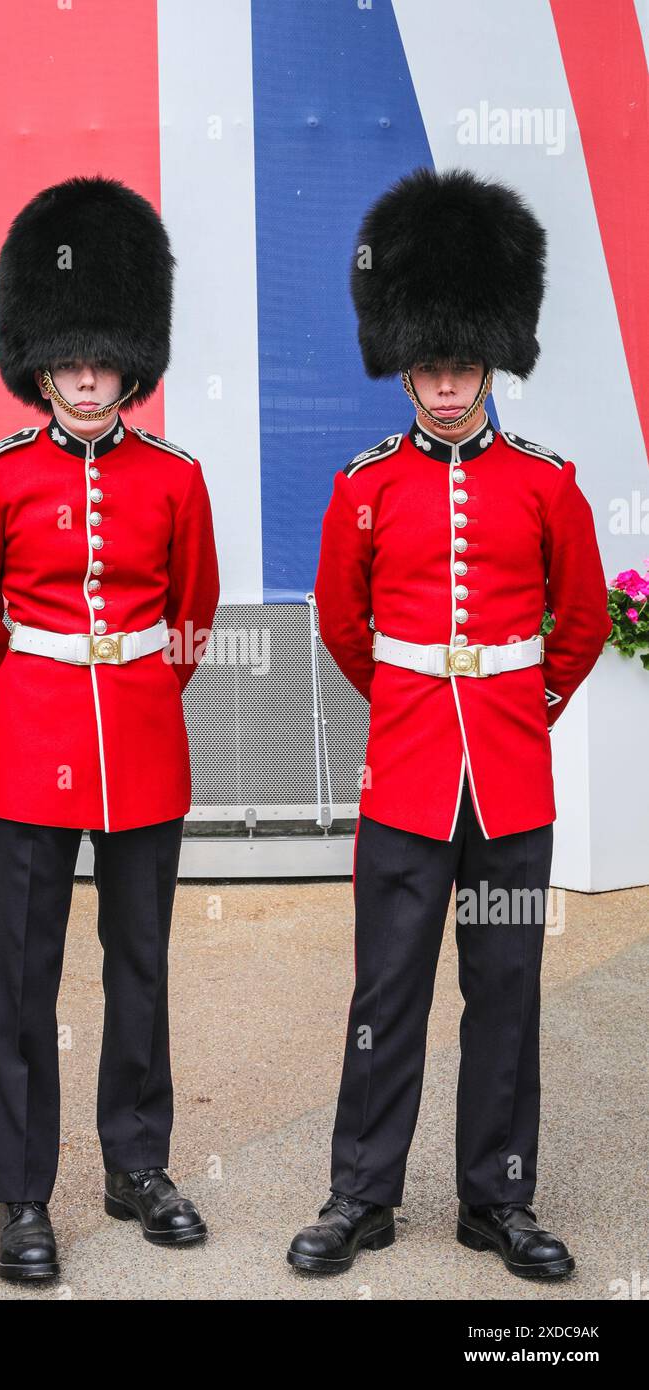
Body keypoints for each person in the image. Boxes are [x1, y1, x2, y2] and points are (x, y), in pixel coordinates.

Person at [287, 167, 611, 1278]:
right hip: (408, 783)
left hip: (509, 786)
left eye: (460, 362)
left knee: (506, 986)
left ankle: (497, 1199)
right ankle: (361, 1193)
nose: (441, 383)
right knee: (385, 993)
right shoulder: (362, 489)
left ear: (489, 358)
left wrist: (518, 710)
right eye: (426, 363)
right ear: (402, 360)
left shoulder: (546, 486)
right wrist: (421, 707)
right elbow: (344, 626)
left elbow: (575, 624)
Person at [0, 175, 220, 1280]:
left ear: (129, 360)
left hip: (142, 748)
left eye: (102, 359)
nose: (87, 376)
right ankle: (21, 1195)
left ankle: (136, 1166)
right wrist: (26, 712)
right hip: (29, 749)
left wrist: (133, 698)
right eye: (68, 360)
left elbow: (189, 618)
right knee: (21, 976)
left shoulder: (176, 481)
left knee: (139, 965)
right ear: (40, 361)